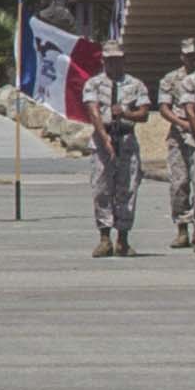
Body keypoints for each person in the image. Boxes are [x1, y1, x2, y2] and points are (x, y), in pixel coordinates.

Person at [81, 46, 146, 254]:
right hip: (103, 140)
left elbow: (144, 113)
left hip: (126, 139)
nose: (113, 63)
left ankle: (123, 239)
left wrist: (126, 112)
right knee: (101, 188)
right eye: (109, 60)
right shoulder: (94, 83)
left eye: (117, 59)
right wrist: (104, 138)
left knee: (127, 189)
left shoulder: (135, 84)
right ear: (103, 61)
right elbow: (93, 112)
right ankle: (104, 238)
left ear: (124, 59)